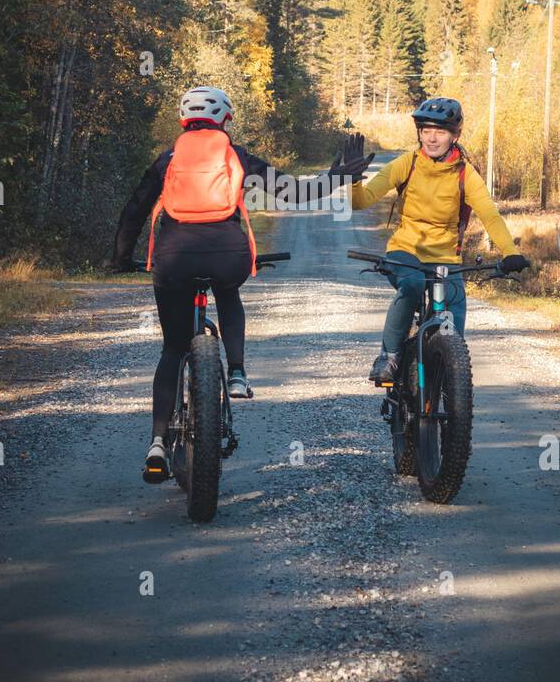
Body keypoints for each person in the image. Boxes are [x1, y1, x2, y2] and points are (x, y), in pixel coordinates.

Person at [107, 86, 367, 483]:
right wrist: (336, 179)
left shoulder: (167, 160)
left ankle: (158, 442)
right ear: (225, 119)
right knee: (227, 291)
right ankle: (239, 372)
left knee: (174, 347)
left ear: (183, 120)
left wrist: (121, 258)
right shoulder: (236, 156)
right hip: (227, 254)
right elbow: (290, 192)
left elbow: (133, 212)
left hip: (174, 259)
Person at [342, 97, 528, 383]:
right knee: (412, 285)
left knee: (454, 316)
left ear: (455, 135)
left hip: (445, 259)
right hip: (405, 252)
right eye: (426, 130)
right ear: (419, 132)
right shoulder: (408, 163)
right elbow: (362, 201)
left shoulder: (465, 174)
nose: (431, 137)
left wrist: (510, 252)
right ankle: (389, 356)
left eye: (440, 131)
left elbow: (490, 216)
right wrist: (354, 181)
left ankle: (451, 381)